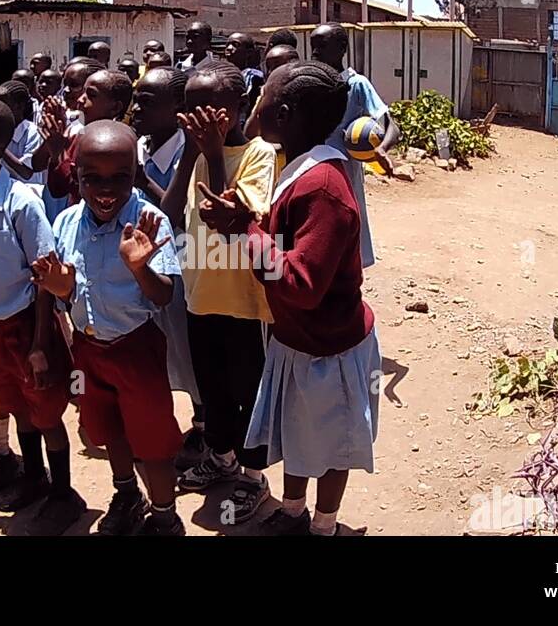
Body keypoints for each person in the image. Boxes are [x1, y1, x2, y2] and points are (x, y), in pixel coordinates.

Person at [198, 60, 381, 536]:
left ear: (282, 115)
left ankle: (323, 525)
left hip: (329, 345)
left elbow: (301, 284)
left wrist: (245, 228)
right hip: (297, 341)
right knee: (298, 433)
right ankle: (294, 511)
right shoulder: (297, 171)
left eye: (261, 98)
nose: (253, 103)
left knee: (333, 441)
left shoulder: (323, 188)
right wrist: (247, 223)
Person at [34, 121, 186, 536]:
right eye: (91, 179)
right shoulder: (65, 222)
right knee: (108, 431)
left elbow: (162, 296)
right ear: (76, 176)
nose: (105, 190)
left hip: (136, 349)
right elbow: (61, 285)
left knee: (152, 441)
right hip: (87, 348)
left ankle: (164, 515)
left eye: (119, 178)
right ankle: (126, 495)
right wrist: (60, 288)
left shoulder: (150, 221)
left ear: (135, 174)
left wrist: (139, 268)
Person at [0, 98, 85, 534]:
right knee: (15, 406)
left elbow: (45, 277)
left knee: (45, 413)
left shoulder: (21, 204)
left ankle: (64, 494)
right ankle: (33, 477)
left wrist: (42, 344)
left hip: (26, 328)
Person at [161, 61, 277, 522]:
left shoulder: (259, 154)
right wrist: (193, 154)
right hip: (200, 296)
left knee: (248, 389)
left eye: (211, 109)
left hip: (244, 303)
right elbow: (171, 212)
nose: (199, 118)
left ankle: (253, 477)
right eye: (190, 109)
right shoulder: (193, 156)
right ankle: (222, 457)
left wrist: (211, 154)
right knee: (214, 390)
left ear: (238, 108)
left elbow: (231, 222)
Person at [130, 65, 207, 471]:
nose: (136, 108)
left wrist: (143, 180)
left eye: (147, 101)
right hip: (149, 268)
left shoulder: (189, 152)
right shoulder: (139, 146)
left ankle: (203, 425)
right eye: (136, 99)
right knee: (160, 351)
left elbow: (173, 216)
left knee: (189, 353)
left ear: (177, 108)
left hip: (187, 266)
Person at [311, 23, 400, 270]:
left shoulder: (356, 84)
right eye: (313, 47)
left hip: (345, 171)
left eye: (322, 46)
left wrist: (382, 149)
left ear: (342, 48)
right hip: (314, 169)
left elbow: (392, 125)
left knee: (347, 223)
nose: (315, 52)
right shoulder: (312, 85)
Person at [42, 67, 128, 213]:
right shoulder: (79, 135)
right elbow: (58, 190)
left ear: (115, 107)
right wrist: (55, 150)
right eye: (83, 92)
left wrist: (59, 152)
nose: (81, 100)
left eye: (91, 95)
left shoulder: (119, 145)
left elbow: (84, 190)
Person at [0, 81, 48, 185]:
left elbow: (27, 173)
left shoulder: (32, 133)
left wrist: (0, 147)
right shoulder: (0, 131)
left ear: (19, 106)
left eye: (3, 105)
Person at [225, 32, 264, 125]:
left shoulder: (255, 78)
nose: (229, 48)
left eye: (235, 45)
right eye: (227, 45)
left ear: (249, 52)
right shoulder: (220, 75)